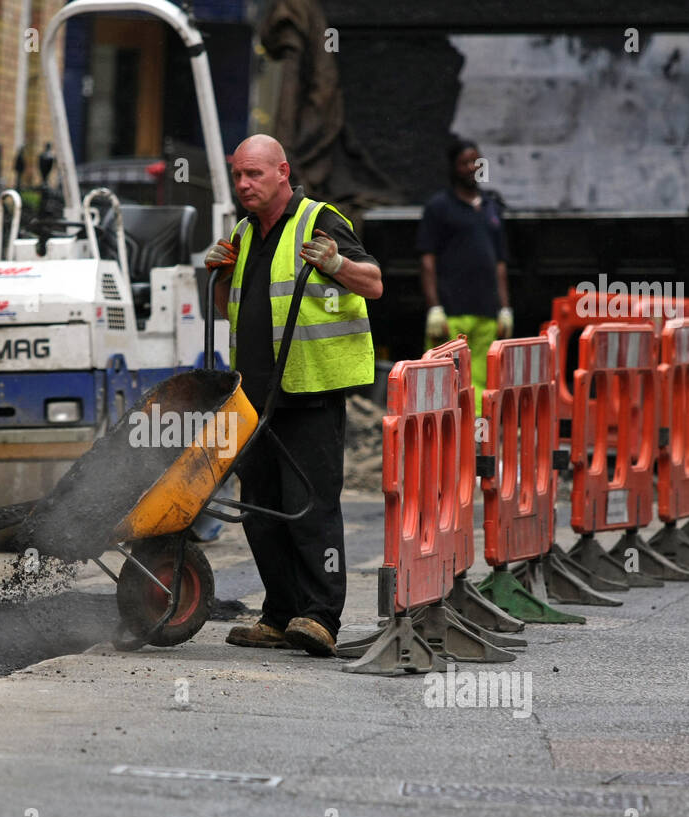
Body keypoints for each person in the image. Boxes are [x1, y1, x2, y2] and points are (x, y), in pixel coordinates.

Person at [206, 134, 383, 657]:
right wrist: (219, 273)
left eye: (254, 174)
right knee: (261, 506)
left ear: (282, 172)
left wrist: (335, 264)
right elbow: (225, 310)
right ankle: (280, 613)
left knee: (311, 508)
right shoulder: (242, 232)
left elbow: (373, 284)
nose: (244, 184)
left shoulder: (319, 220)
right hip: (255, 397)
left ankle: (321, 615)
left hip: (310, 391)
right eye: (239, 175)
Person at [418, 138, 512, 413]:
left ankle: (475, 441)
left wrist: (504, 308)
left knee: (482, 381)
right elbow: (427, 261)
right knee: (443, 379)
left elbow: (500, 263)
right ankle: (439, 441)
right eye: (465, 162)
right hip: (452, 313)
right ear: (453, 167)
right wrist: (434, 308)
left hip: (487, 313)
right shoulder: (439, 208)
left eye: (476, 161)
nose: (472, 167)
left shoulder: (491, 208)